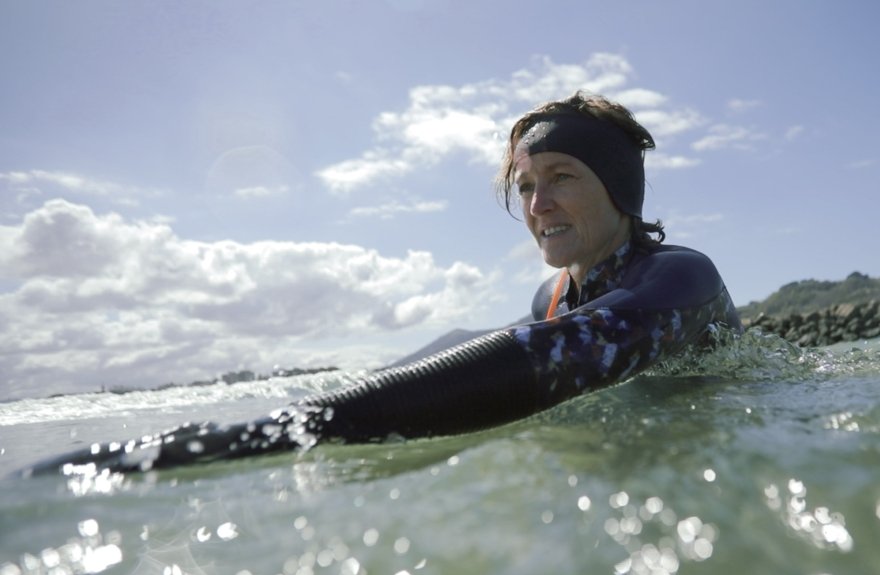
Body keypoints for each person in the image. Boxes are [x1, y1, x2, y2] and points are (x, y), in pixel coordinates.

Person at [25, 91, 741, 477]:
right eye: (524, 186)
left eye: (560, 178)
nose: (536, 204)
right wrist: (315, 407)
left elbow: (568, 355)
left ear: (619, 188)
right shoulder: (551, 299)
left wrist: (295, 431)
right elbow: (494, 351)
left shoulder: (679, 275)